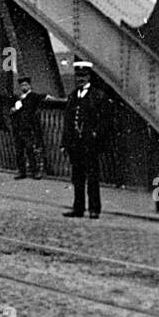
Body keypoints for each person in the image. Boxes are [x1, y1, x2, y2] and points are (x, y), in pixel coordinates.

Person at [61, 61, 111, 219]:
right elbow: (67, 122)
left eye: (83, 76)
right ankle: (79, 208)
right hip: (75, 144)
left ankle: (94, 209)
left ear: (89, 77)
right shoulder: (73, 96)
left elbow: (105, 121)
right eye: (78, 76)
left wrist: (97, 136)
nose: (80, 79)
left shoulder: (98, 96)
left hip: (90, 144)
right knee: (77, 178)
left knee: (92, 177)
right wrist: (64, 143)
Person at [9, 75, 48, 179]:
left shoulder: (34, 96)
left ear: (30, 86)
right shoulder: (18, 98)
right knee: (19, 150)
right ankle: (22, 171)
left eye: (26, 85)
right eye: (22, 85)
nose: (24, 87)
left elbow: (43, 99)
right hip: (19, 126)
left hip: (28, 127)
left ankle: (34, 170)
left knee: (30, 149)